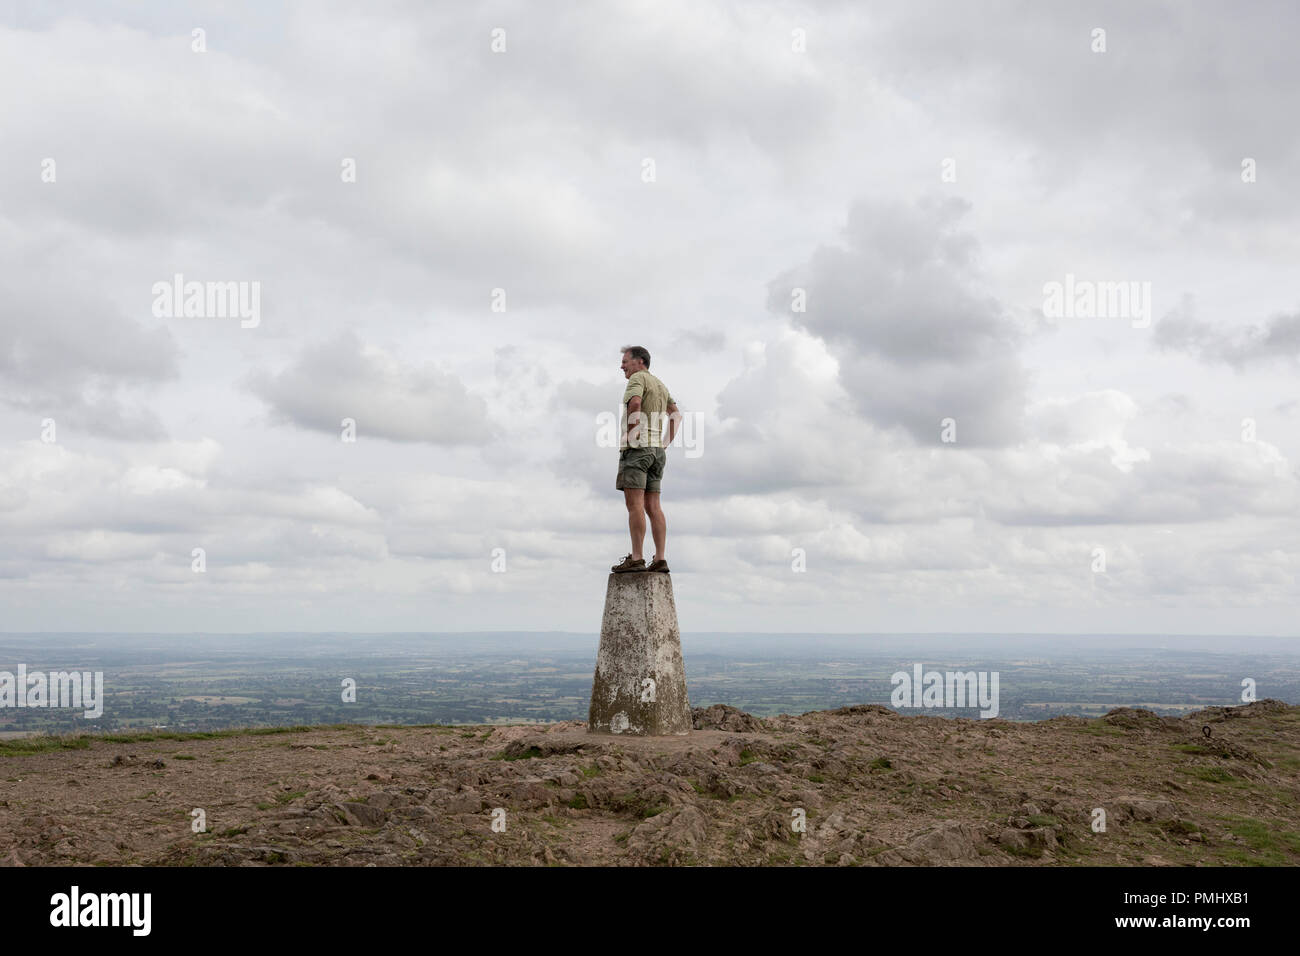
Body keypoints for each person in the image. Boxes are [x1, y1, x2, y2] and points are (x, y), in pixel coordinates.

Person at [611, 345, 679, 573]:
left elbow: (636, 403)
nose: (622, 366)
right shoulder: (660, 384)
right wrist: (665, 443)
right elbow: (676, 415)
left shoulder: (637, 379)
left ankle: (637, 558)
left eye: (625, 361)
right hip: (657, 452)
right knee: (654, 506)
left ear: (640, 361)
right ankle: (660, 559)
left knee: (635, 505)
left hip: (638, 449)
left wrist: (632, 434)